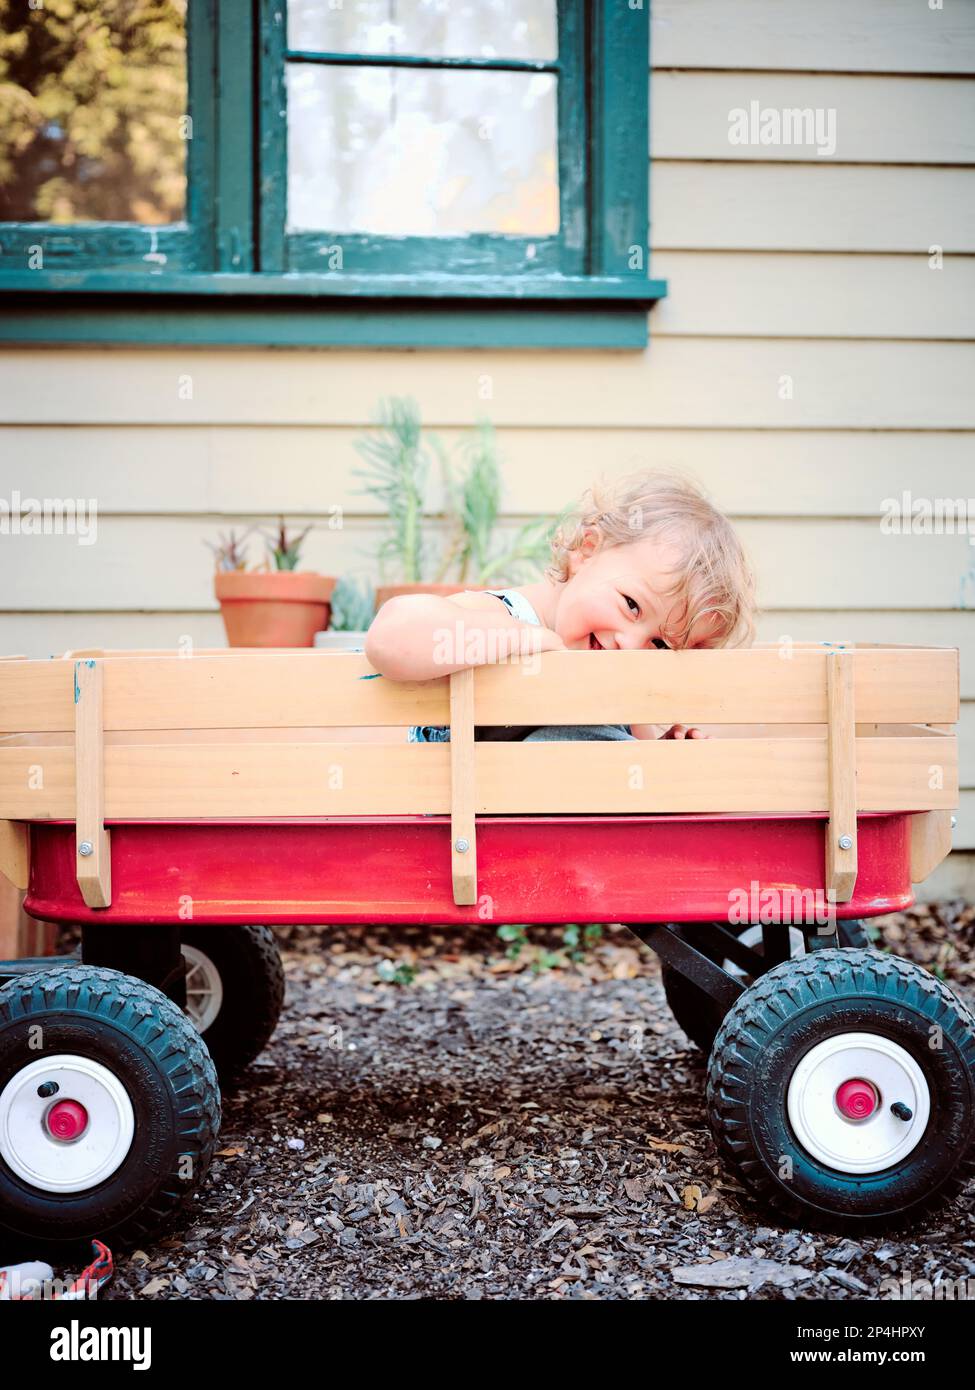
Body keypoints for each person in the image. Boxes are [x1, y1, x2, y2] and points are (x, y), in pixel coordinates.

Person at [364, 470, 756, 743]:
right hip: (462, 828)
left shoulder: (624, 685)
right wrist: (525, 639)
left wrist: (658, 758)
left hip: (571, 847)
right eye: (632, 605)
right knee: (570, 740)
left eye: (660, 645)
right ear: (587, 551)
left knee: (593, 743)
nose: (631, 643)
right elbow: (391, 637)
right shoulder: (501, 616)